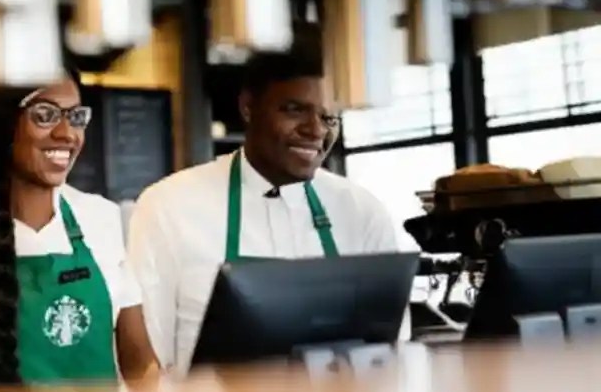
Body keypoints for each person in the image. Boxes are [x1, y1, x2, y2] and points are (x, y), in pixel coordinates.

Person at [126, 47, 404, 374]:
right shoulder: (168, 207)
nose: (316, 130)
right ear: (248, 107)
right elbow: (149, 368)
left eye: (329, 117)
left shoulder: (362, 212)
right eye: (295, 110)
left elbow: (388, 357)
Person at [0, 72, 158, 386]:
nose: (67, 133)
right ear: (6, 124)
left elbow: (139, 362)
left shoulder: (102, 218)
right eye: (46, 115)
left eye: (76, 117)